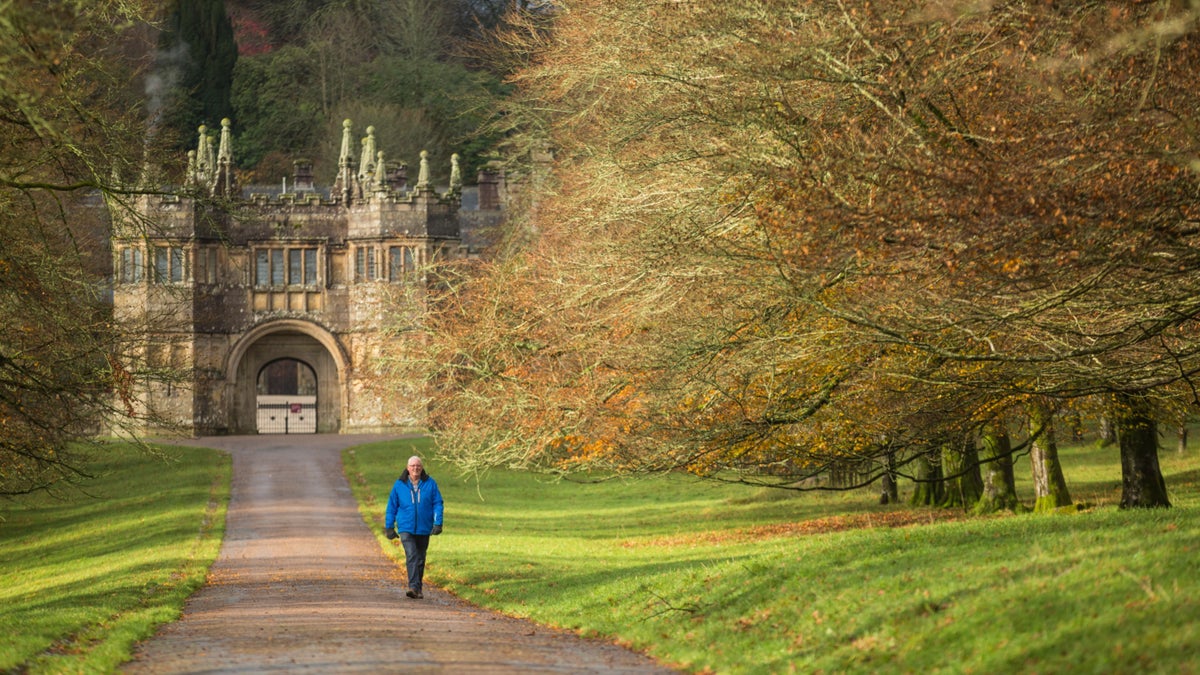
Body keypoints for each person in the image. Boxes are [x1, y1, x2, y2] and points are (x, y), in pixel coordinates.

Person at [385, 455, 444, 599]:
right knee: (412, 555)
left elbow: (438, 503)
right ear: (407, 468)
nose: (415, 468)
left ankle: (418, 588)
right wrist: (389, 527)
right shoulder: (399, 485)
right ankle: (413, 586)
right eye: (412, 466)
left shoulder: (430, 484)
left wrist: (438, 523)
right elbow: (392, 506)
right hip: (406, 527)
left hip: (424, 527)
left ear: (422, 468)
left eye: (418, 466)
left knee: (420, 558)